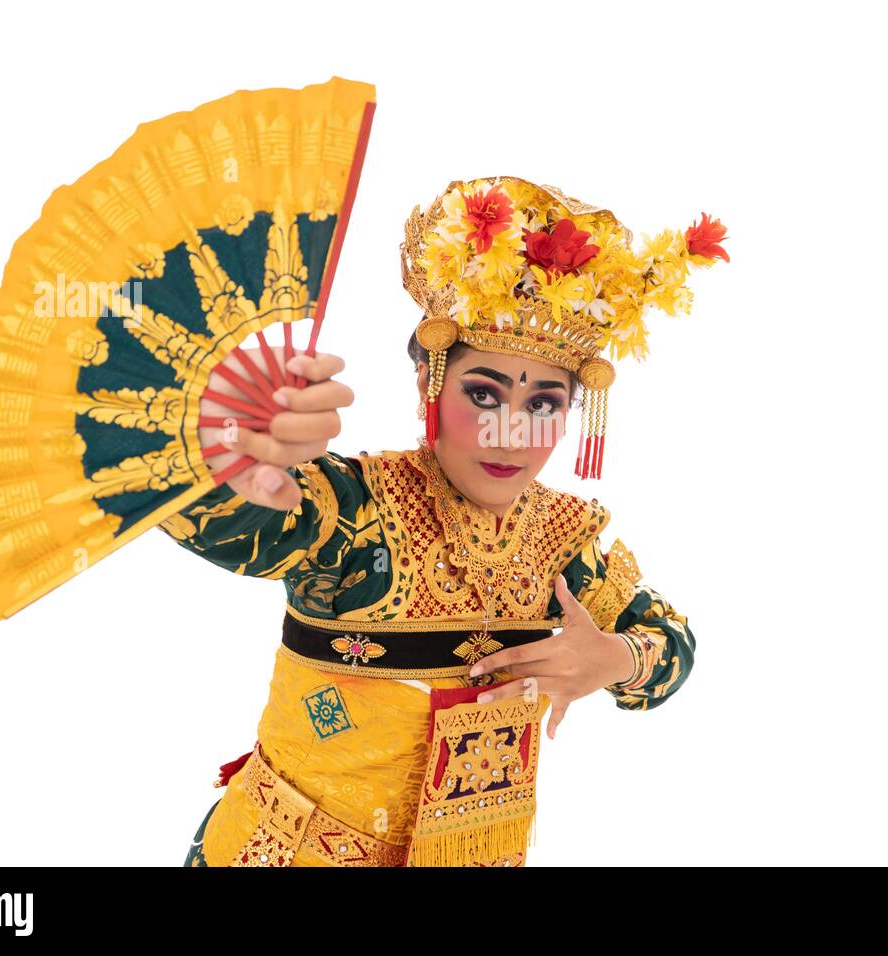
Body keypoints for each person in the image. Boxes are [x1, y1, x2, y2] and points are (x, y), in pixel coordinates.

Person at [161, 175, 728, 866]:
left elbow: (672, 641)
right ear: (430, 384)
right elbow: (215, 517)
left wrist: (612, 659)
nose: (511, 434)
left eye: (545, 404)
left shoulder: (560, 541)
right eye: (483, 394)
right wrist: (233, 456)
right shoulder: (358, 509)